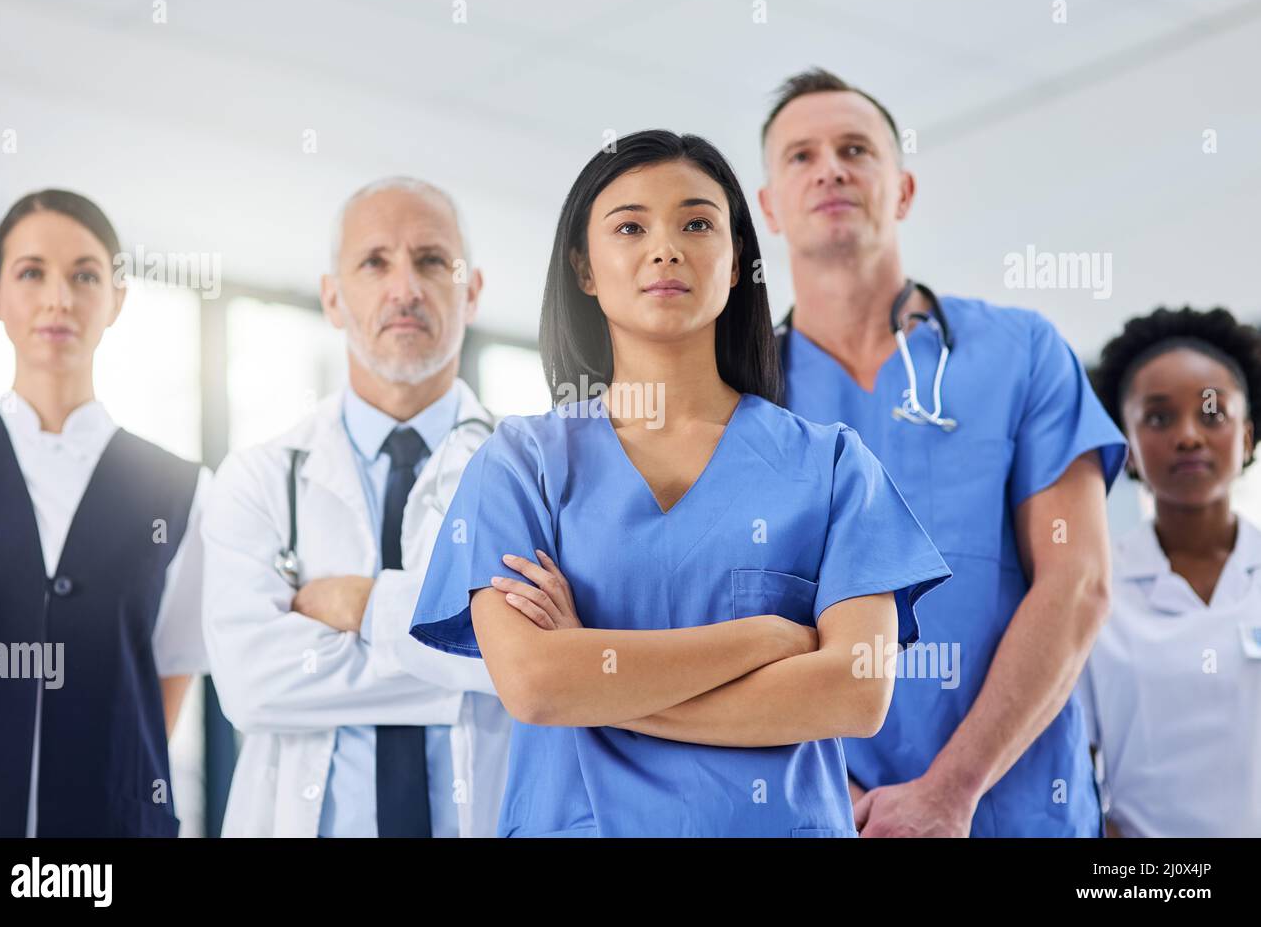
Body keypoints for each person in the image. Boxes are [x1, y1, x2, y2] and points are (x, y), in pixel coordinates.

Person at [409, 130, 951, 837]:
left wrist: (593, 675)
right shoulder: (521, 463)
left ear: (734, 266)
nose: (666, 247)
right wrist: (762, 639)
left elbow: (854, 691)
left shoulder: (833, 467)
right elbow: (536, 683)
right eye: (630, 226)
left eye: (697, 222)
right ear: (585, 268)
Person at [757, 68, 1128, 836]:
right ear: (768, 208)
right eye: (801, 155)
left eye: (855, 148)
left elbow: (1078, 579)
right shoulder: (739, 396)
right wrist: (839, 794)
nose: (830, 167)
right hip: (822, 810)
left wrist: (950, 789)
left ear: (903, 191)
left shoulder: (1019, 352)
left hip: (1014, 806)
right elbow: (723, 619)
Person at [202, 177, 510, 837]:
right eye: (375, 262)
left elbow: (555, 658)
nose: (405, 288)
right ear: (333, 298)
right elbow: (253, 685)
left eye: (431, 260)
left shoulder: (532, 473)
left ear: (472, 290)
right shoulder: (259, 479)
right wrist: (476, 668)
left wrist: (368, 608)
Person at [0, 190, 207, 836]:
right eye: (32, 272)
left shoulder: (181, 490)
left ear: (117, 299)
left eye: (85, 275)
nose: (59, 299)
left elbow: (167, 677)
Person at [1083, 306, 1261, 837]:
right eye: (1158, 418)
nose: (1188, 437)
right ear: (1128, 448)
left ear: (1248, 437)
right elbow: (1071, 765)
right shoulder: (1090, 592)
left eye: (1212, 415)